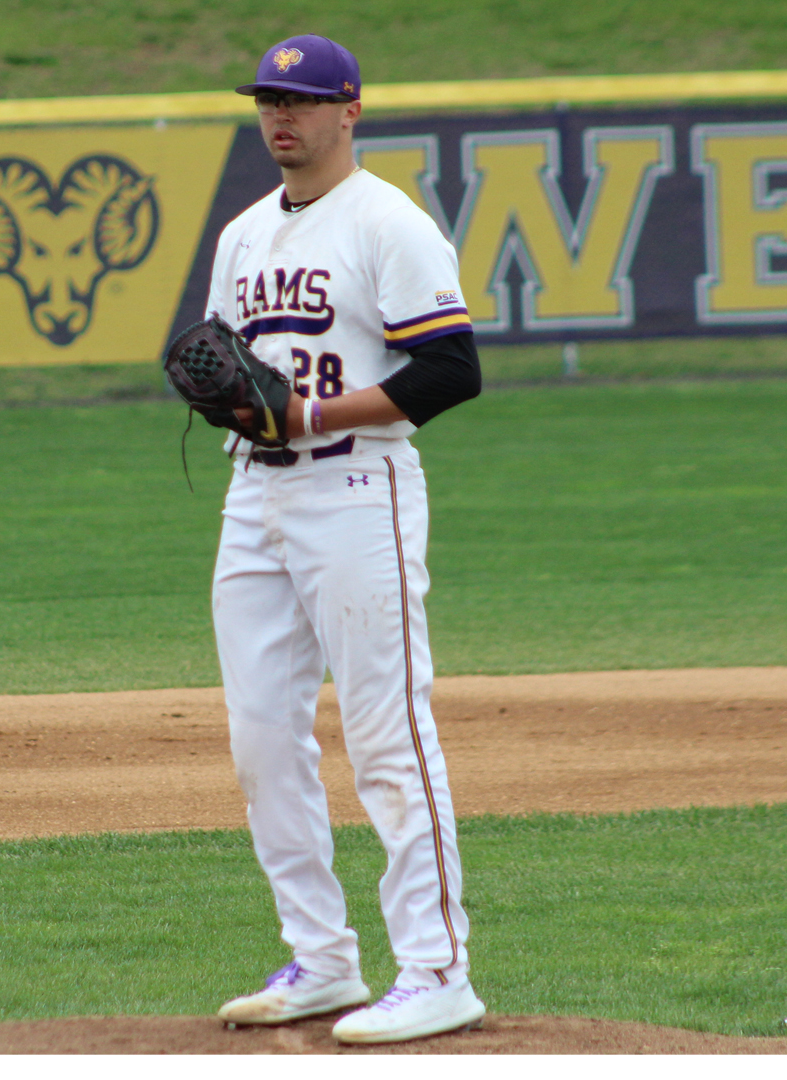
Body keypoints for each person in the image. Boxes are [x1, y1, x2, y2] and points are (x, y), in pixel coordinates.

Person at [203, 34, 486, 1045]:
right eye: (269, 99)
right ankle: (322, 961)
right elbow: (227, 370)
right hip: (254, 505)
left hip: (358, 492)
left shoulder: (388, 222)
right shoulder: (241, 236)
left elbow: (452, 369)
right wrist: (232, 405)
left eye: (303, 100)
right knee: (261, 739)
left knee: (385, 735)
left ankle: (437, 970)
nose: (282, 116)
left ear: (349, 110)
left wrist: (314, 416)